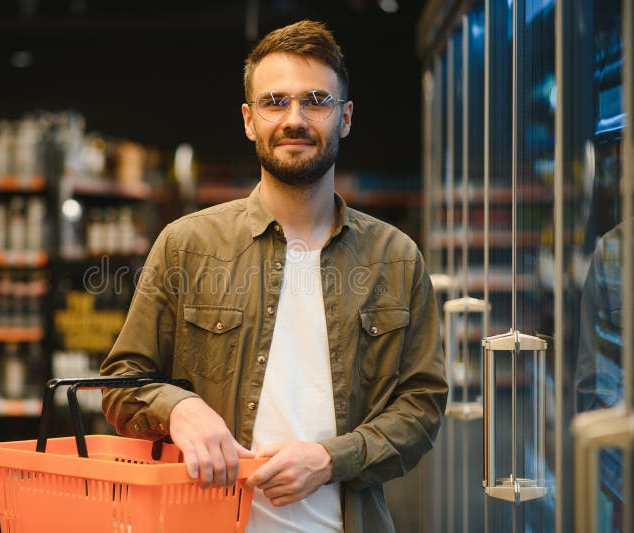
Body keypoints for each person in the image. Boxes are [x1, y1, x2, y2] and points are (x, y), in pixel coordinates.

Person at [100, 20, 447, 533]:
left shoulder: (396, 258)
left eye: (316, 101)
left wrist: (333, 459)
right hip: (202, 522)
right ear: (248, 119)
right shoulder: (186, 245)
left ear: (345, 117)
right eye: (275, 102)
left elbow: (422, 406)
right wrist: (179, 408)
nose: (295, 119)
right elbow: (121, 382)